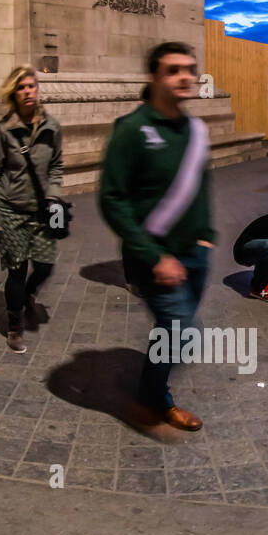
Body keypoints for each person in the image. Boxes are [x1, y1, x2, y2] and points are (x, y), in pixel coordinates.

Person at [98, 42, 216, 435]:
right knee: (183, 329)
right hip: (152, 257)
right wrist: (154, 255)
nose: (185, 76)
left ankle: (150, 388)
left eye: (189, 69)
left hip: (194, 255)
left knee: (173, 332)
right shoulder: (132, 129)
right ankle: (155, 399)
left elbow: (201, 184)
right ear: (154, 77)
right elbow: (112, 199)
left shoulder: (195, 131)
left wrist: (206, 236)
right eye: (173, 70)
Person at [0, 64, 65, 353]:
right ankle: (14, 323)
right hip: (11, 212)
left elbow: (56, 167)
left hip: (42, 211)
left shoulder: (52, 127)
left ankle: (28, 295)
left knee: (44, 266)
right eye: (22, 87)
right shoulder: (2, 130)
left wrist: (53, 198)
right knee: (16, 270)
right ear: (13, 93)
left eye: (32, 86)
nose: (28, 91)